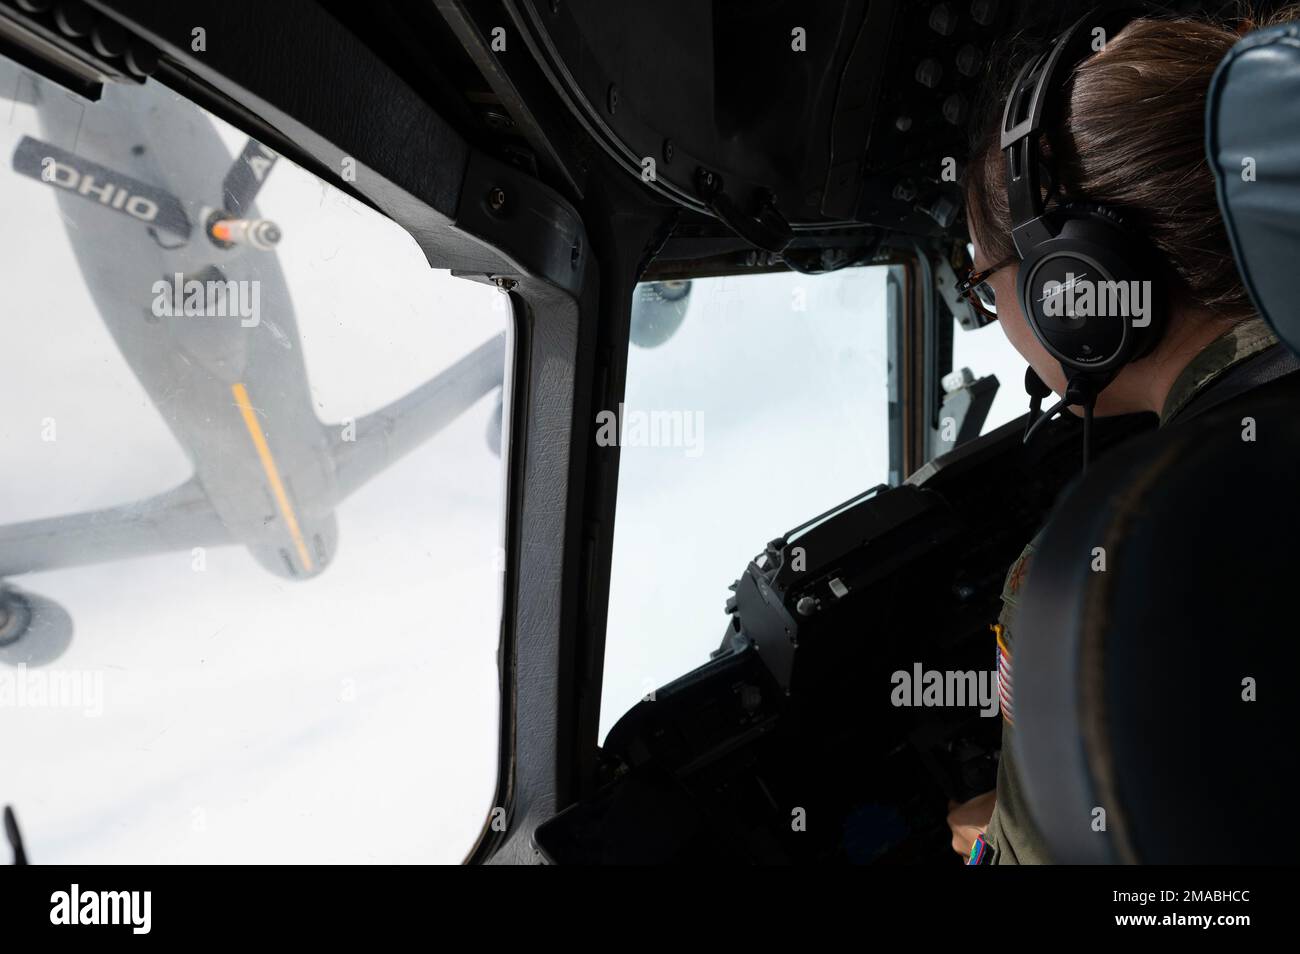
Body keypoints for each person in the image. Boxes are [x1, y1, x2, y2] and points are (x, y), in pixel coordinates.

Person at [947, 5, 1300, 864]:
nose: (994, 318)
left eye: (986, 285)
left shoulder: (1102, 567)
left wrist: (994, 837)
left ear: (1074, 286)